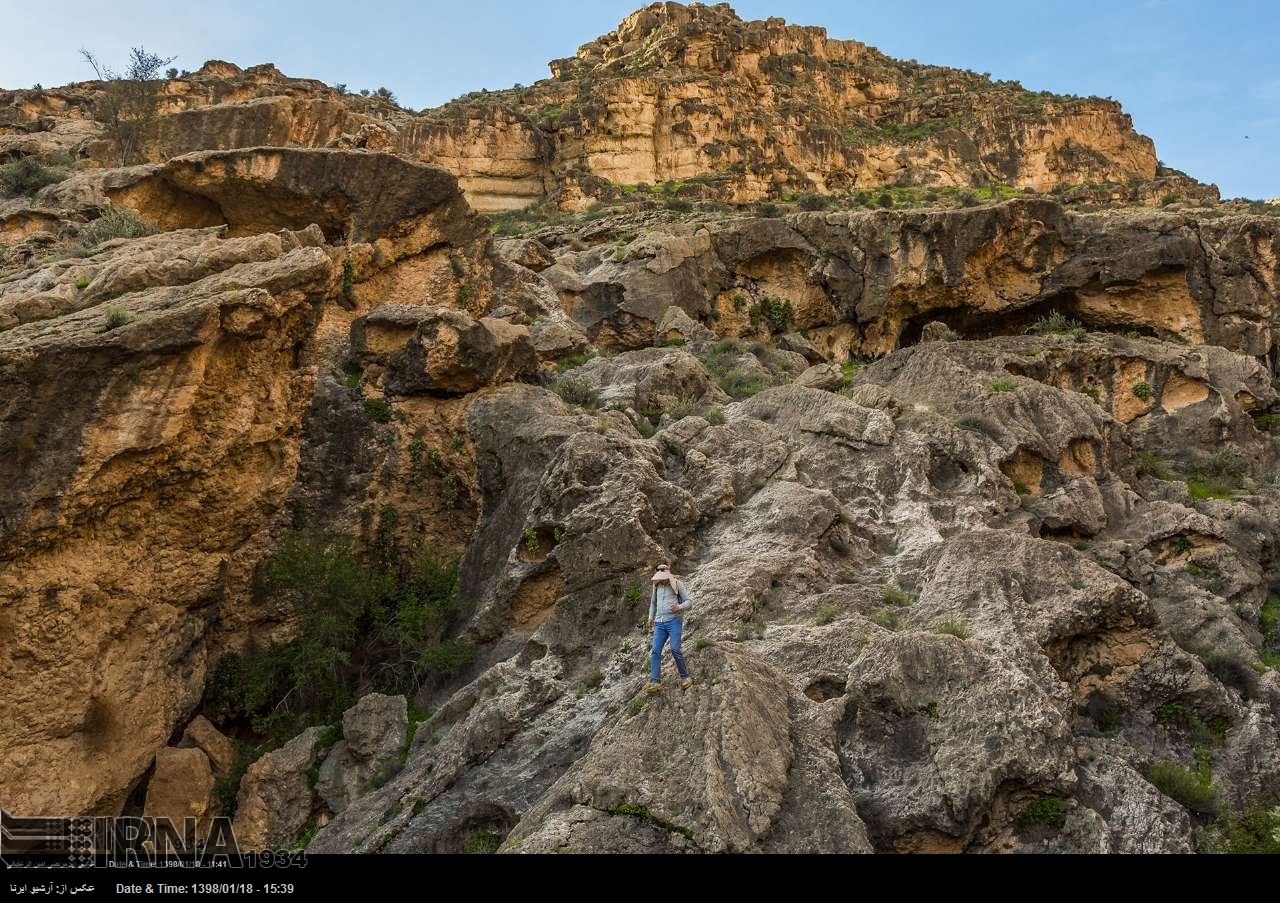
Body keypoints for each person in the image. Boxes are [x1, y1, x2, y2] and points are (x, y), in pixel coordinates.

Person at [646, 563, 692, 694]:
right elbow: (653, 604)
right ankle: (655, 682)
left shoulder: (677, 584)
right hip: (659, 623)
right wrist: (650, 617)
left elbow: (689, 602)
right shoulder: (656, 586)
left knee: (675, 648)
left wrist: (679, 607)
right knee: (655, 651)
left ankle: (686, 677)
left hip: (674, 621)